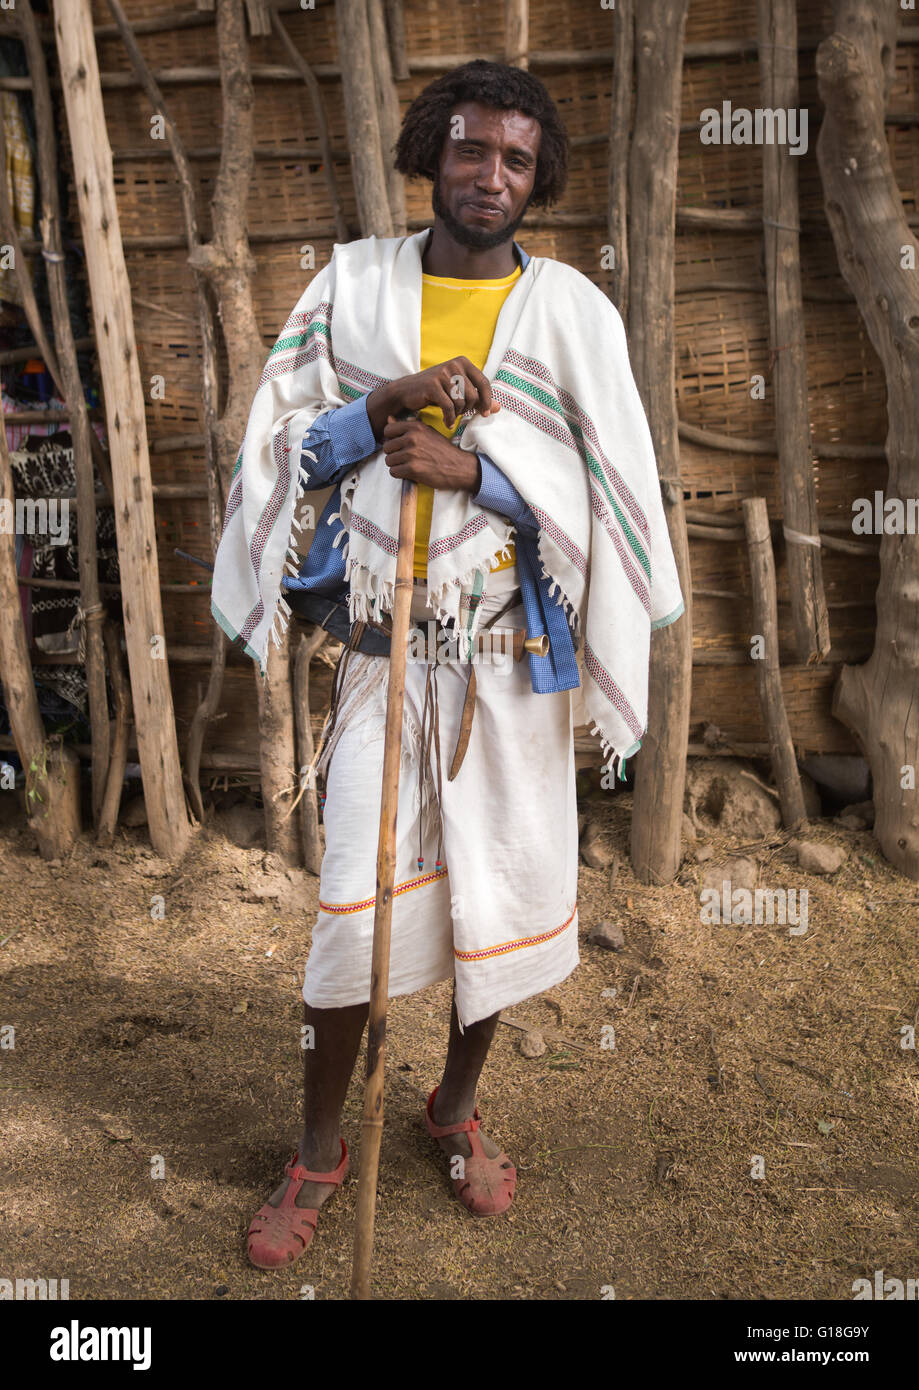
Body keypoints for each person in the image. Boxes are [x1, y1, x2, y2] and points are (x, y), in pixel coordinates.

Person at [210, 60, 684, 1270]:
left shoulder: (571, 309)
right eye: (472, 150)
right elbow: (278, 442)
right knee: (345, 928)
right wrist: (384, 411)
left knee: (503, 895)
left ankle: (454, 1111)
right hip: (385, 653)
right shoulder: (354, 282)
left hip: (510, 660)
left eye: (516, 160)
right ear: (434, 149)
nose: (490, 176)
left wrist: (477, 471)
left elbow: (612, 485)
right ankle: (319, 1150)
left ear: (539, 178)